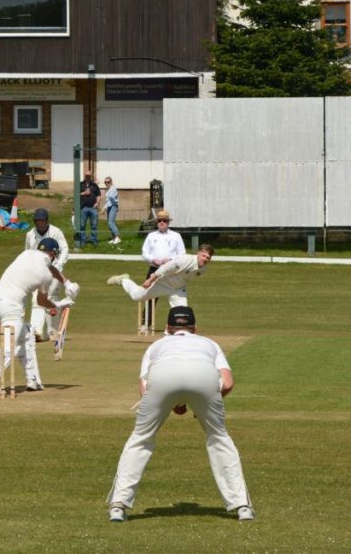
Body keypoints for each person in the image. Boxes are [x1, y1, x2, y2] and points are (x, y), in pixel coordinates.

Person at [107, 306, 254, 522]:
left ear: (167, 328)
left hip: (163, 377)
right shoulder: (209, 343)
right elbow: (228, 383)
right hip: (203, 376)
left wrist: (171, 402)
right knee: (219, 437)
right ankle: (242, 506)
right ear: (195, 328)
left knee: (140, 438)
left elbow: (144, 389)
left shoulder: (156, 346)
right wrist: (202, 402)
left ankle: (118, 506)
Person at [0, 238, 79, 392]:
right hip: (11, 308)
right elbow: (42, 301)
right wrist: (59, 304)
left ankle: (33, 380)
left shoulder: (26, 253)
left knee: (27, 335)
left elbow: (50, 267)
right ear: (52, 254)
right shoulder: (45, 275)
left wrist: (67, 283)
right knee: (9, 345)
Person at [108, 244, 214, 308]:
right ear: (198, 253)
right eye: (203, 255)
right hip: (161, 283)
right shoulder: (185, 260)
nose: (205, 259)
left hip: (178, 289)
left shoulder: (203, 268)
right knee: (136, 296)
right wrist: (150, 280)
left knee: (182, 313)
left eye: (208, 257)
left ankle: (171, 336)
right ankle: (124, 280)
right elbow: (164, 268)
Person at [25, 208, 70, 341]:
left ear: (47, 220)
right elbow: (27, 252)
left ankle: (53, 332)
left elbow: (65, 249)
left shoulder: (56, 232)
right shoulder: (30, 234)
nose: (40, 223)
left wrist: (59, 264)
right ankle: (36, 331)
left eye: (42, 220)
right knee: (36, 299)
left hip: (53, 269)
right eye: (38, 220)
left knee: (52, 297)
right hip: (37, 270)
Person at [141, 209, 185, 278]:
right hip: (154, 269)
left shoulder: (176, 236)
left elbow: (182, 254)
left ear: (168, 222)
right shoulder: (151, 235)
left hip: (170, 270)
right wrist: (153, 260)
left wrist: (170, 260)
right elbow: (144, 253)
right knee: (149, 288)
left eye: (164, 220)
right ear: (156, 222)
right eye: (159, 220)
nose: (162, 222)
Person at [78, 173, 101, 247]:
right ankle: (83, 241)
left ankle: (94, 240)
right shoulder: (80, 184)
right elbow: (75, 194)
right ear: (84, 176)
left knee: (94, 225)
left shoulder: (94, 185)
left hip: (93, 208)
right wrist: (84, 193)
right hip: (83, 208)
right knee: (82, 225)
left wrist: (97, 203)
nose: (87, 177)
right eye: (86, 176)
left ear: (91, 177)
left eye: (89, 176)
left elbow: (98, 195)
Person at [103, 176, 121, 245]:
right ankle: (113, 238)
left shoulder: (113, 189)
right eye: (105, 182)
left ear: (111, 182)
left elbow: (111, 200)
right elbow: (108, 200)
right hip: (109, 207)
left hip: (113, 206)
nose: (106, 183)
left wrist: (104, 208)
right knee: (109, 223)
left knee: (111, 222)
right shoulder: (109, 189)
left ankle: (117, 237)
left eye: (108, 182)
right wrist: (105, 207)